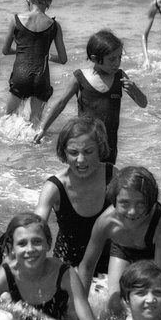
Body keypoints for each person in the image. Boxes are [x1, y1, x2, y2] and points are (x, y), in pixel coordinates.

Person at [79, 166, 161, 320]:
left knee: (151, 304)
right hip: (123, 248)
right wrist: (81, 310)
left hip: (155, 251)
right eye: (124, 203)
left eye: (140, 204)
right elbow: (86, 267)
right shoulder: (106, 222)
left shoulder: (160, 225)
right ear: (114, 201)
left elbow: (159, 278)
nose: (132, 211)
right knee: (114, 305)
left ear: (151, 202)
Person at [34, 30, 147, 166]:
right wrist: (43, 128)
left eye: (119, 57)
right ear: (94, 59)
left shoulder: (120, 77)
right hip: (84, 144)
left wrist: (135, 90)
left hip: (109, 145)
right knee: (84, 178)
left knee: (105, 179)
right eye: (112, 59)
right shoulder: (80, 77)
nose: (117, 63)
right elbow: (61, 103)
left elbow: (143, 103)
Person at [35, 116, 114, 271]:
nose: (81, 160)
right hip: (68, 268)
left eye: (88, 151)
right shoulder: (54, 187)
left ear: (100, 149)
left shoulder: (113, 177)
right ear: (64, 152)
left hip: (108, 267)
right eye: (73, 152)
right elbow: (36, 226)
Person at [2, 0, 66, 128]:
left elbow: (5, 50)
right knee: (35, 125)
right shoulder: (54, 25)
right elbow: (63, 59)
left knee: (8, 120)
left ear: (28, 0)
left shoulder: (16, 20)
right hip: (41, 77)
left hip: (20, 75)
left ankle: (8, 150)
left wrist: (20, 51)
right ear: (48, 2)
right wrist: (47, 56)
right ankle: (36, 151)